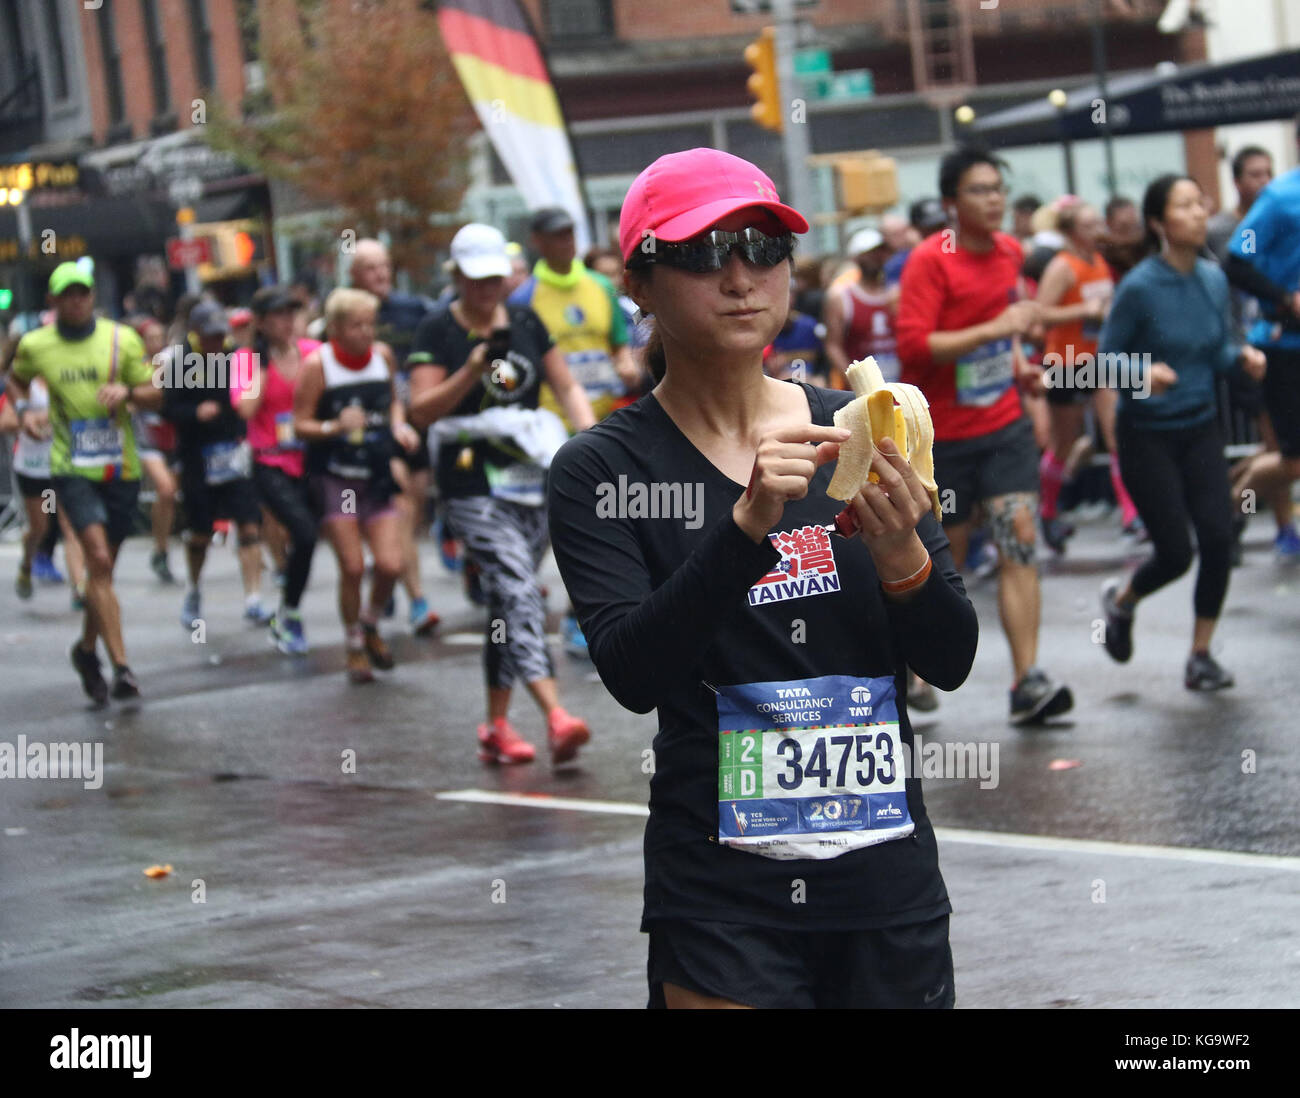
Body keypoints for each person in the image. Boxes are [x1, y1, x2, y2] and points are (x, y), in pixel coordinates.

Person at [548, 148, 977, 1010]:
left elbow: (952, 654)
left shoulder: (859, 427)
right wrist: (744, 529)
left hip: (883, 877)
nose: (741, 278)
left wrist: (903, 560)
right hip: (719, 891)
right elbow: (633, 673)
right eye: (705, 253)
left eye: (764, 248)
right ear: (641, 283)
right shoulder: (601, 468)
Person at [896, 145, 1072, 726]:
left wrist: (1018, 364)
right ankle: (913, 672)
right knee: (947, 561)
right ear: (950, 203)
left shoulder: (1010, 252)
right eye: (978, 190)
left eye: (998, 187)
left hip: (1003, 428)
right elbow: (916, 347)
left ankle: (1027, 683)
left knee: (1020, 543)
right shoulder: (930, 261)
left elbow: (1011, 332)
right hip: (940, 439)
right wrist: (994, 329)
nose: (994, 199)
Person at [409, 223, 596, 764]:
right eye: (476, 278)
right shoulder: (435, 330)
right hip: (469, 480)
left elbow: (565, 385)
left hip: (529, 478)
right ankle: (556, 715)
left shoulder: (524, 320)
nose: (488, 288)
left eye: (495, 276)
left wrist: (588, 440)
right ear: (457, 276)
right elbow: (421, 411)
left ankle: (494, 725)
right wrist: (470, 369)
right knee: (518, 590)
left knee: (504, 602)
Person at [1097, 175, 1267, 690]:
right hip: (1147, 434)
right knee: (1175, 553)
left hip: (1199, 428)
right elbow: (1102, 362)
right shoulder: (1140, 287)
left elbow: (1216, 348)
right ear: (1158, 223)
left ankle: (1200, 655)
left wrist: (1242, 357)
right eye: (1186, 205)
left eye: (1201, 203)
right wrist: (1141, 375)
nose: (1200, 213)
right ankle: (1122, 603)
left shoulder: (1214, 280)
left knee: (1218, 537)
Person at [6, 262, 160, 704]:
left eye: (83, 292)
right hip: (70, 465)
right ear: (53, 302)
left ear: (92, 296)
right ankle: (123, 668)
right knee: (95, 555)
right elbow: (15, 380)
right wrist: (23, 412)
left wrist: (129, 393)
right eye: (67, 294)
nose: (77, 300)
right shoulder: (36, 345)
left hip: (120, 468)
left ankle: (86, 650)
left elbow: (156, 391)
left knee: (102, 570)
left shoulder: (120, 338)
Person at [510, 206, 639, 659]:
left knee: (612, 519)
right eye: (555, 236)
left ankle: (579, 612)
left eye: (569, 234)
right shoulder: (524, 297)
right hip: (551, 431)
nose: (565, 242)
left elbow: (620, 342)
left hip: (606, 421)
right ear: (538, 242)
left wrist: (625, 362)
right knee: (566, 525)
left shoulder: (600, 286)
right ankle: (538, 603)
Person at [293, 288, 418, 683]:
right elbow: (300, 423)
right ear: (334, 329)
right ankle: (353, 647)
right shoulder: (319, 366)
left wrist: (399, 425)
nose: (366, 332)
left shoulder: (382, 355)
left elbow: (394, 401)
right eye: (356, 325)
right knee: (352, 565)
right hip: (339, 477)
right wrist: (333, 426)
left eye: (370, 323)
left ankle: (369, 622)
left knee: (389, 564)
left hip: (377, 472)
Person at [1035, 198, 1140, 549]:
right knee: (1063, 444)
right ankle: (1048, 512)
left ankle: (1131, 517)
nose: (1097, 231)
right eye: (1089, 225)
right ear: (1070, 232)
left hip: (1099, 359)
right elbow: (1040, 315)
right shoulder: (1062, 267)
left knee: (1116, 437)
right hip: (1064, 363)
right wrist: (1083, 309)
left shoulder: (1099, 260)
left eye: (1099, 223)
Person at [349, 238, 441, 635]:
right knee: (401, 507)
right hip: (374, 428)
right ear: (354, 275)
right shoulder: (342, 316)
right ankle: (417, 599)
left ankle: (387, 576)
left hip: (414, 422)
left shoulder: (414, 309)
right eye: (371, 267)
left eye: (385, 265)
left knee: (412, 511)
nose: (381, 274)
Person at [164, 301, 272, 631]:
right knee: (200, 532)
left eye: (219, 335)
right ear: (196, 332)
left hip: (235, 454)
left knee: (250, 525)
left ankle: (254, 598)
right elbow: (168, 409)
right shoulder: (180, 361)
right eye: (209, 335)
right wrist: (195, 413)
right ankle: (194, 590)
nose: (215, 341)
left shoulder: (237, 358)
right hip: (198, 457)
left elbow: (252, 395)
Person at [233, 287, 321, 654]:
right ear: (262, 323)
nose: (287, 322)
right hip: (269, 461)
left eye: (292, 313)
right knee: (305, 534)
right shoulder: (245, 360)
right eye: (278, 315)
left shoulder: (313, 354)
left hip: (310, 458)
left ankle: (288, 607)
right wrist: (264, 364)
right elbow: (246, 410)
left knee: (311, 535)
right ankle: (291, 611)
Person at [1223, 155, 1300, 564]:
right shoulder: (1282, 198)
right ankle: (1235, 508)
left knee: (1282, 454)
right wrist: (1286, 299)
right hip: (1281, 348)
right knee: (1291, 461)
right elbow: (1237, 259)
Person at [10, 374, 86, 606]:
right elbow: (7, 421)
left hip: (61, 466)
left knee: (70, 526)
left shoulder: (69, 377)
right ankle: (26, 563)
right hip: (34, 469)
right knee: (40, 527)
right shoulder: (24, 384)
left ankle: (79, 588)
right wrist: (30, 419)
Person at [130, 316, 179, 583]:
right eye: (151, 338)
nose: (156, 342)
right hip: (147, 440)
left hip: (174, 439)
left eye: (160, 337)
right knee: (165, 488)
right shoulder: (135, 368)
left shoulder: (174, 365)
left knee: (169, 497)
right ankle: (161, 550)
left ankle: (162, 545)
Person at [823, 227, 898, 390]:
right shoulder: (842, 297)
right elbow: (833, 345)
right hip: (861, 392)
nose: (877, 258)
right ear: (856, 257)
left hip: (900, 386)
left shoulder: (897, 294)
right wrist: (857, 385)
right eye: (870, 253)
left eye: (880, 252)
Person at [1099, 195, 1145, 284]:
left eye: (1136, 225)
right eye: (1124, 226)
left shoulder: (1146, 249)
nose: (1132, 232)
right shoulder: (1102, 256)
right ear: (1108, 223)